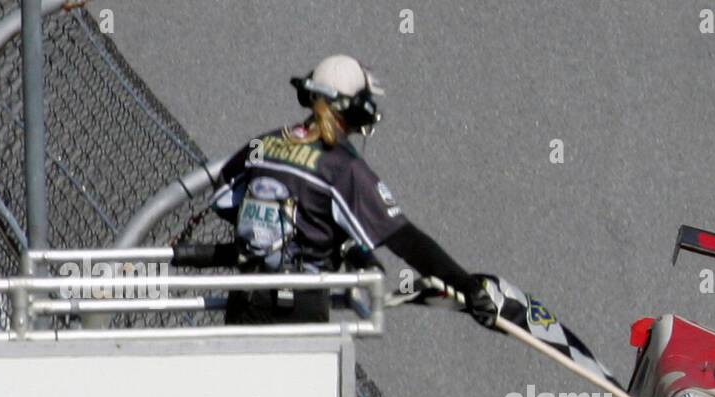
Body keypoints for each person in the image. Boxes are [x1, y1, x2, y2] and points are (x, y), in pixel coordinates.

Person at [209, 54, 512, 326]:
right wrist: (470, 289)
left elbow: (224, 198)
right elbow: (406, 241)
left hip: (244, 302)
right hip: (298, 309)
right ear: (356, 109)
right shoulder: (342, 166)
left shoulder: (266, 143)